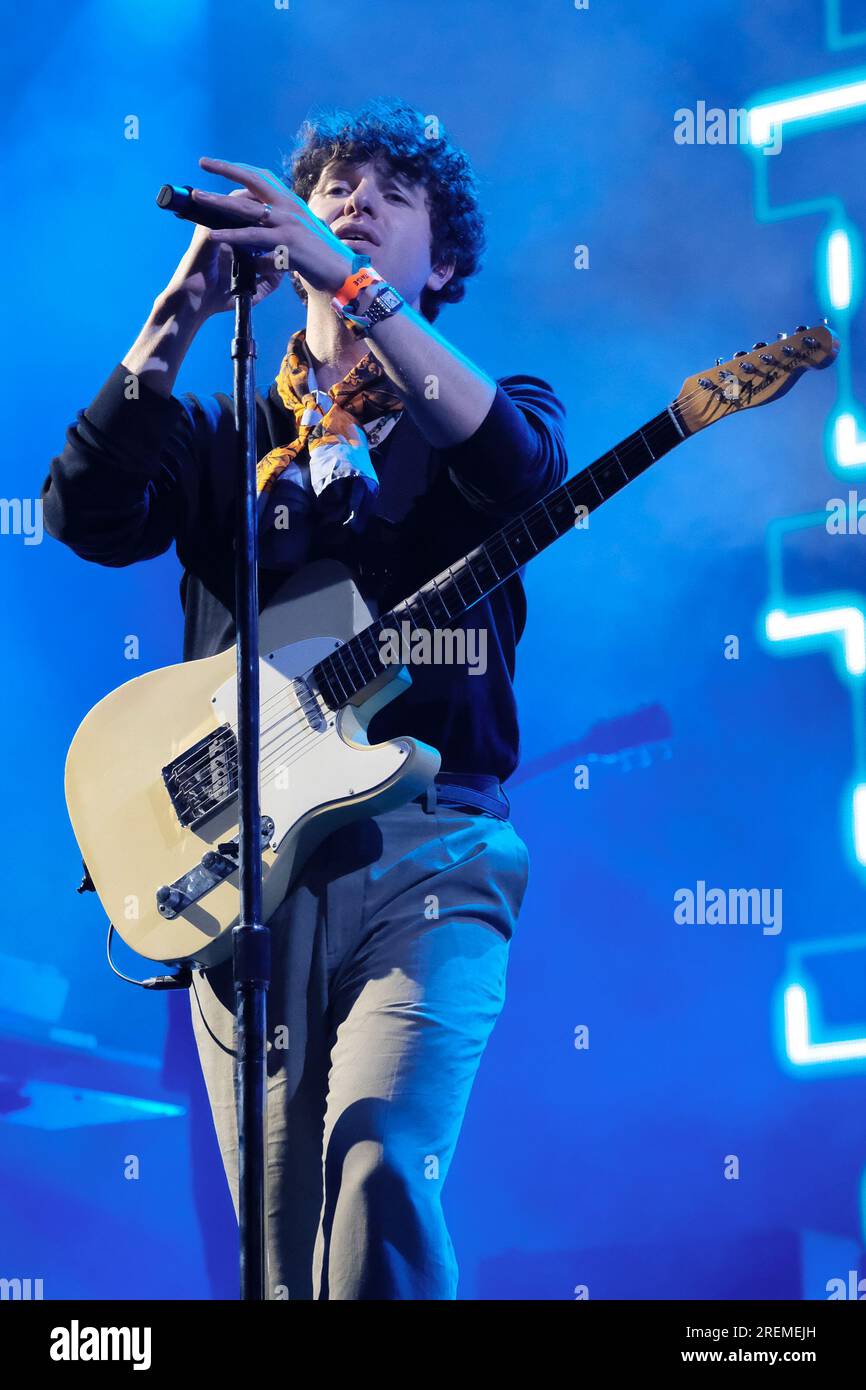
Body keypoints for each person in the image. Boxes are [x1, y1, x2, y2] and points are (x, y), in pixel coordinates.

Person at [41, 97, 568, 1300]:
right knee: (280, 1263)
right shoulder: (228, 433)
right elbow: (84, 513)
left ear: (441, 263)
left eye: (388, 192)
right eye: (329, 187)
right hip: (248, 881)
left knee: (379, 1169)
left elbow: (519, 471)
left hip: (433, 854)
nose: (350, 199)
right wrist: (177, 313)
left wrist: (346, 281)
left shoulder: (490, 412)